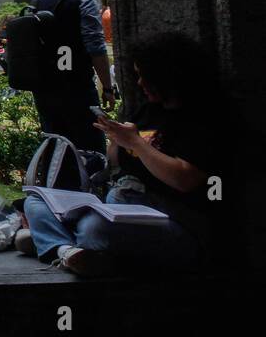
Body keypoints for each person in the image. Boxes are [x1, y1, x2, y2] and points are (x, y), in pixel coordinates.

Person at [17, 33, 231, 275]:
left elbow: (184, 179)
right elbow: (118, 162)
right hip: (121, 206)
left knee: (93, 229)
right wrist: (117, 139)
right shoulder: (149, 110)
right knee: (36, 202)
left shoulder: (203, 118)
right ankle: (67, 250)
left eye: (144, 76)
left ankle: (53, 242)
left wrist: (137, 143)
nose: (139, 83)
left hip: (175, 220)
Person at [28, 0, 114, 151]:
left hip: (45, 90)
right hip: (77, 88)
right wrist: (108, 88)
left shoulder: (37, 1)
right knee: (89, 147)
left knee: (54, 144)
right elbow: (96, 48)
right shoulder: (84, 1)